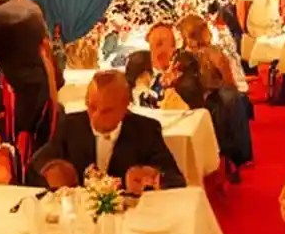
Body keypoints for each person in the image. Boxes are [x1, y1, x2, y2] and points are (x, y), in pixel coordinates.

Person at [29, 71, 186, 193]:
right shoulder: (70, 125)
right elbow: (37, 161)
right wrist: (51, 168)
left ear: (125, 108)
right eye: (92, 107)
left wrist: (154, 177)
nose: (96, 117)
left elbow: (176, 180)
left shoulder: (145, 130)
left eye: (107, 111)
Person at [0, 0, 59, 150]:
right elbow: (45, 45)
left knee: (14, 142)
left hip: (13, 87)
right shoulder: (32, 8)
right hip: (41, 80)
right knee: (40, 139)